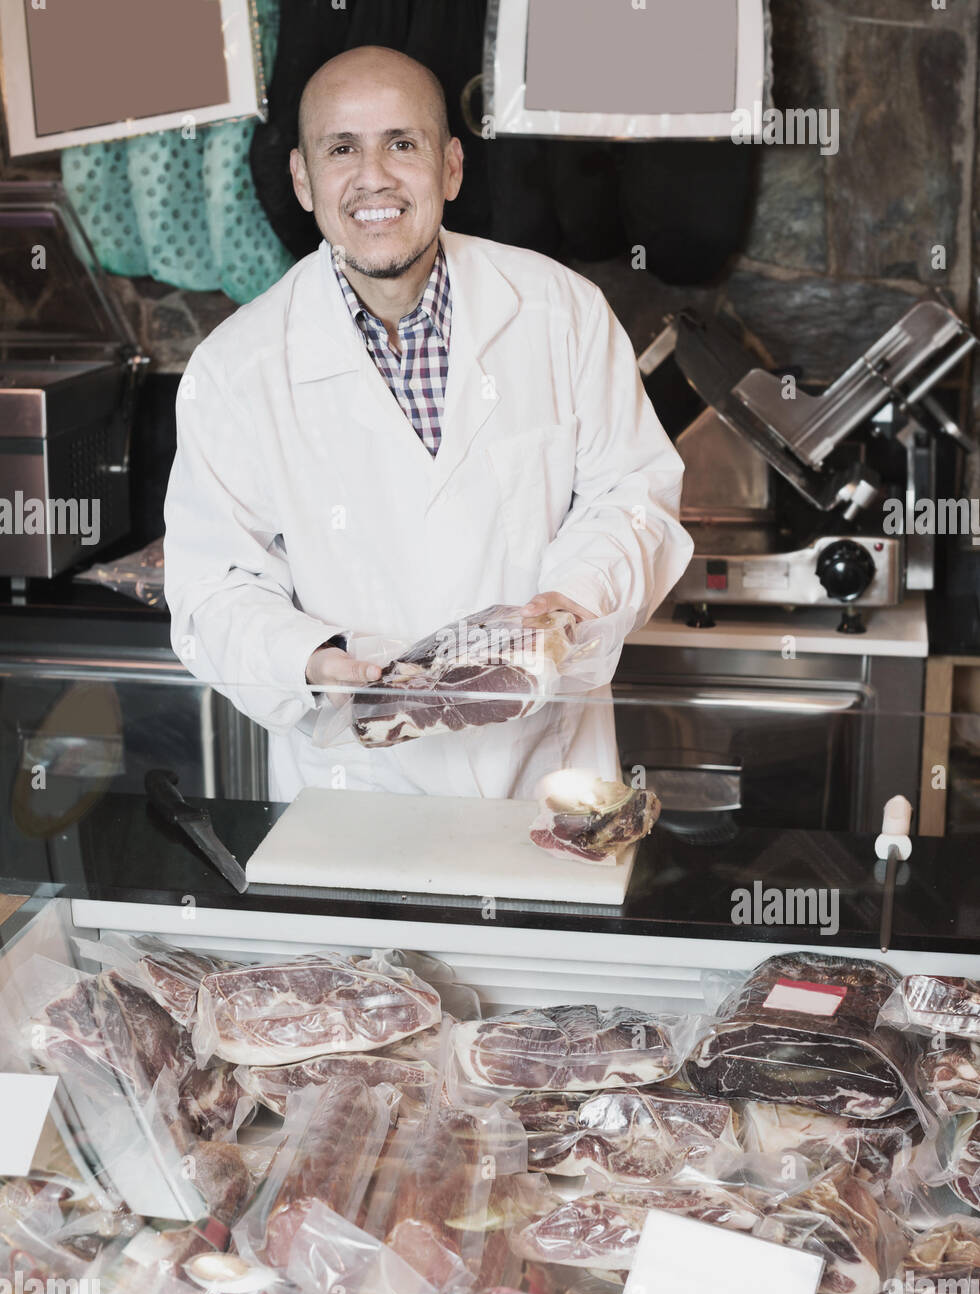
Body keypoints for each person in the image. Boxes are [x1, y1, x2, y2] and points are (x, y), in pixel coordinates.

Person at [164, 46, 693, 801]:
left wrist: (574, 597)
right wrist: (309, 657)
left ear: (450, 168)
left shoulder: (560, 310)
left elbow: (632, 494)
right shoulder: (236, 367)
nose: (372, 176)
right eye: (342, 147)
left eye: (400, 143)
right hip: (353, 790)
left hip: (544, 775)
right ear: (302, 180)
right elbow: (211, 584)